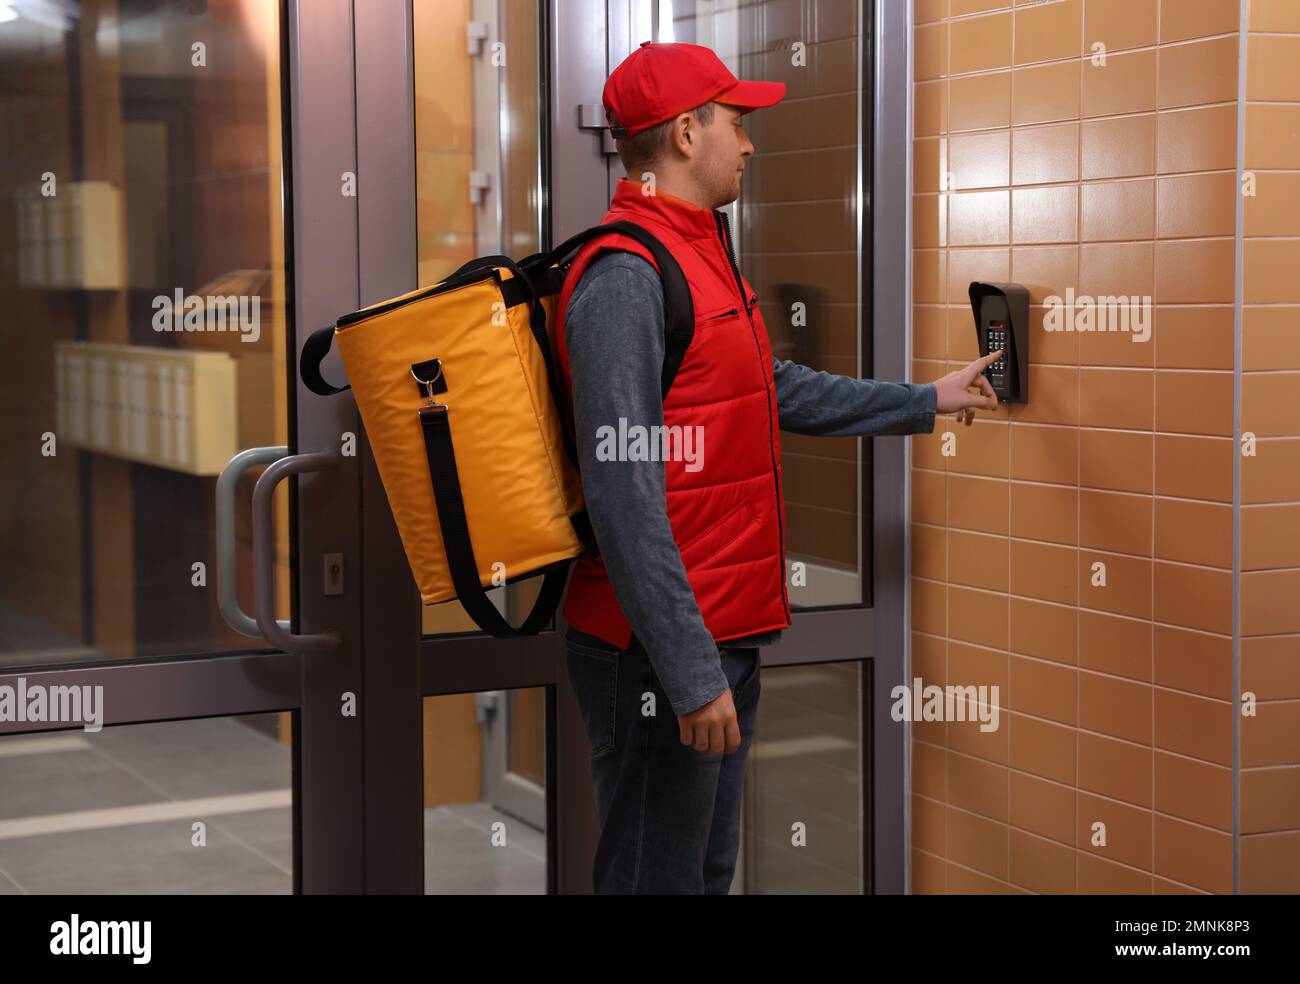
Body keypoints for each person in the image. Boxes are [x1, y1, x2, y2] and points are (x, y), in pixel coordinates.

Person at [554, 41, 1001, 895]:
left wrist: (924, 401)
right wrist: (688, 675)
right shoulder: (625, 274)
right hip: (656, 652)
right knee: (658, 880)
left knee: (702, 874)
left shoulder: (698, 250)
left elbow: (769, 387)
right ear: (687, 133)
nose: (750, 143)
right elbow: (624, 491)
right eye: (737, 121)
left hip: (721, 633)